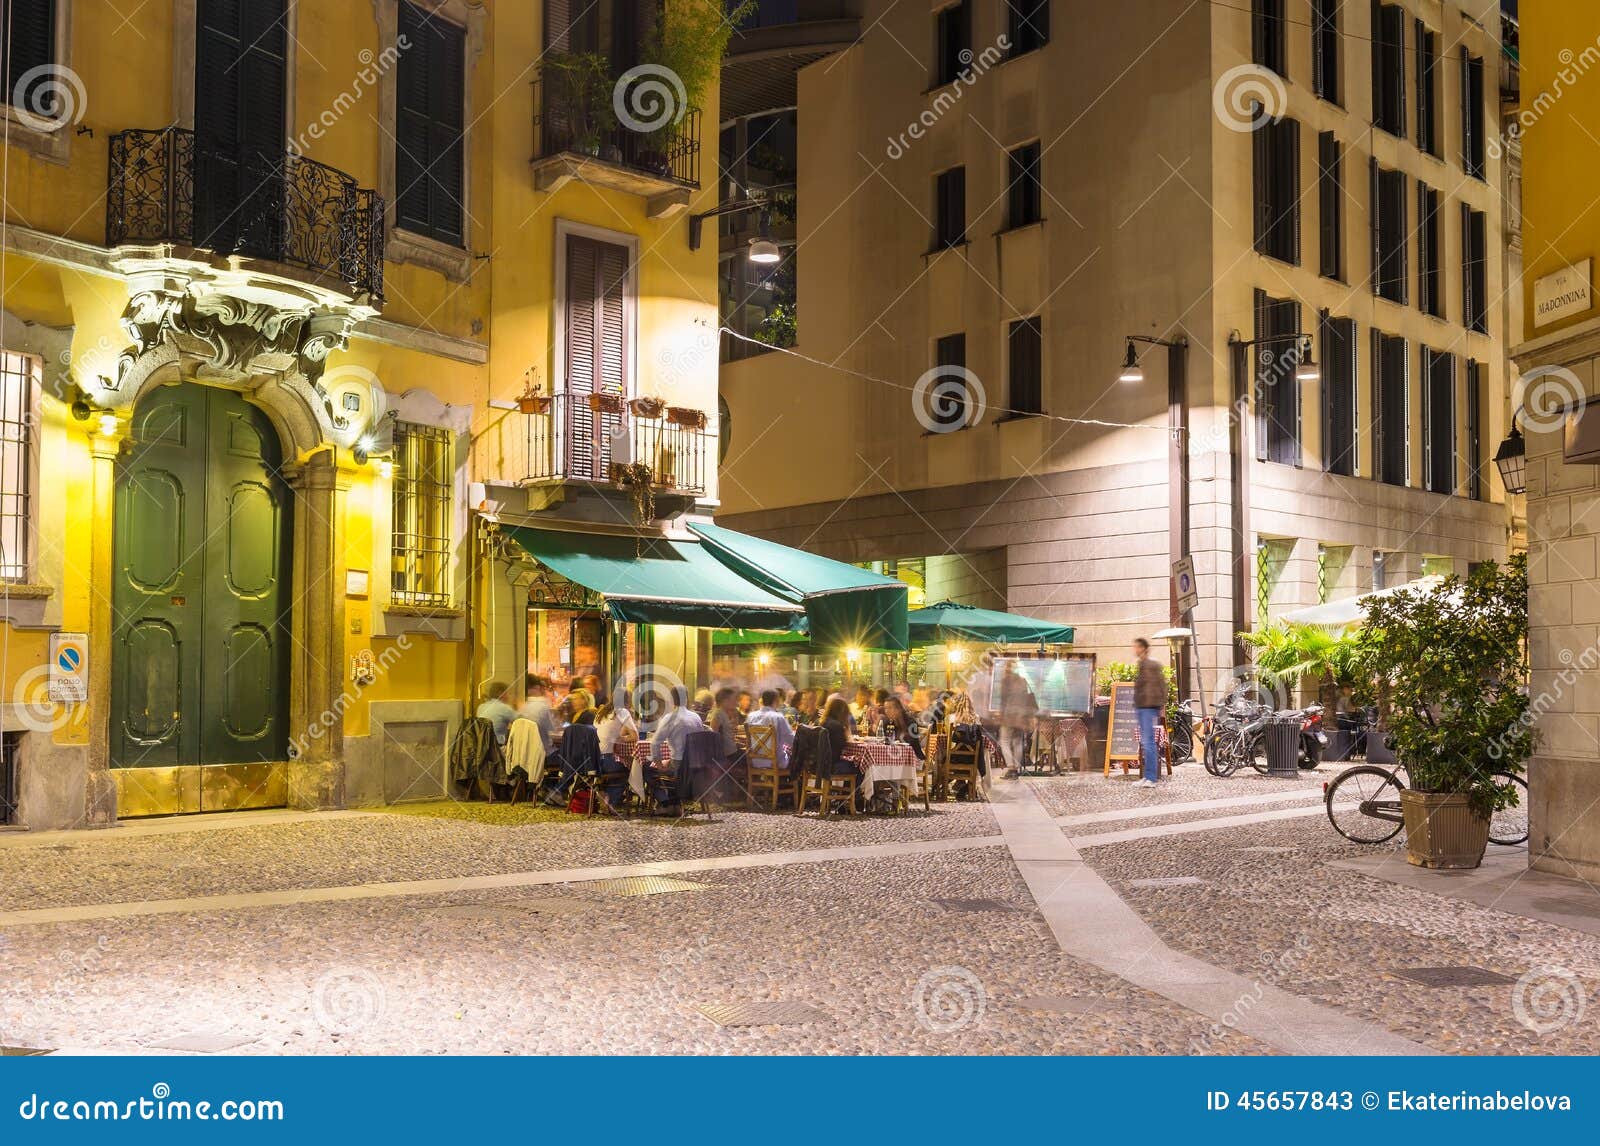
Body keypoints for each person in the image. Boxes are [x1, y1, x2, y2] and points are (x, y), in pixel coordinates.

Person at [1132, 637, 1166, 788]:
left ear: (1144, 648)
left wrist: (1159, 705)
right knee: (1146, 742)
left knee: (1148, 742)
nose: (1135, 649)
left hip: (1147, 706)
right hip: (1142, 706)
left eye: (1137, 647)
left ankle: (1151, 778)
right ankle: (1147, 776)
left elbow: (1160, 686)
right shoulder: (1142, 664)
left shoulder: (1151, 665)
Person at [595, 692, 640, 807]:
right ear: (628, 701)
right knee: (628, 771)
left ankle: (604, 792)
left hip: (593, 761)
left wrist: (616, 737)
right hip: (606, 761)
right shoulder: (622, 711)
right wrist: (620, 739)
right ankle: (609, 801)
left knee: (619, 766)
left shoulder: (601, 711)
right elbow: (635, 736)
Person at [998, 660, 1039, 778]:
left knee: (1004, 741)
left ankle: (1011, 767)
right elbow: (1026, 699)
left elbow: (1003, 700)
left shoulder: (1006, 681)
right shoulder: (1023, 680)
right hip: (1021, 716)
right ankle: (1016, 768)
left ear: (1008, 668)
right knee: (1018, 741)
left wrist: (1001, 715)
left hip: (1009, 715)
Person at [650, 685, 707, 765]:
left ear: (671, 699)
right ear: (687, 699)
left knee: (648, 767)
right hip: (697, 764)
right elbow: (702, 740)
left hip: (678, 764)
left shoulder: (669, 718)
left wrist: (659, 764)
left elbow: (655, 743)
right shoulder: (696, 717)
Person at [745, 688, 795, 766]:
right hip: (775, 763)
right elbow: (790, 740)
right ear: (776, 701)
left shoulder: (751, 716)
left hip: (754, 762)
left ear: (762, 700)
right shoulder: (778, 717)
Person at [518, 674, 559, 753]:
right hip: (543, 752)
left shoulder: (522, 707)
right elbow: (552, 732)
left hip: (524, 752)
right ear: (537, 687)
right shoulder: (543, 706)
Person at [475, 681, 517, 745]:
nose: (509, 696)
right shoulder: (504, 708)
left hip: (481, 746)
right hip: (497, 746)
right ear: (501, 694)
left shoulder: (481, 707)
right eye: (508, 693)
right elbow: (522, 721)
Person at [709, 687, 741, 762]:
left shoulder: (726, 713)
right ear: (725, 701)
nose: (736, 702)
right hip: (727, 755)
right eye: (733, 699)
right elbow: (713, 736)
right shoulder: (718, 714)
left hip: (732, 750)